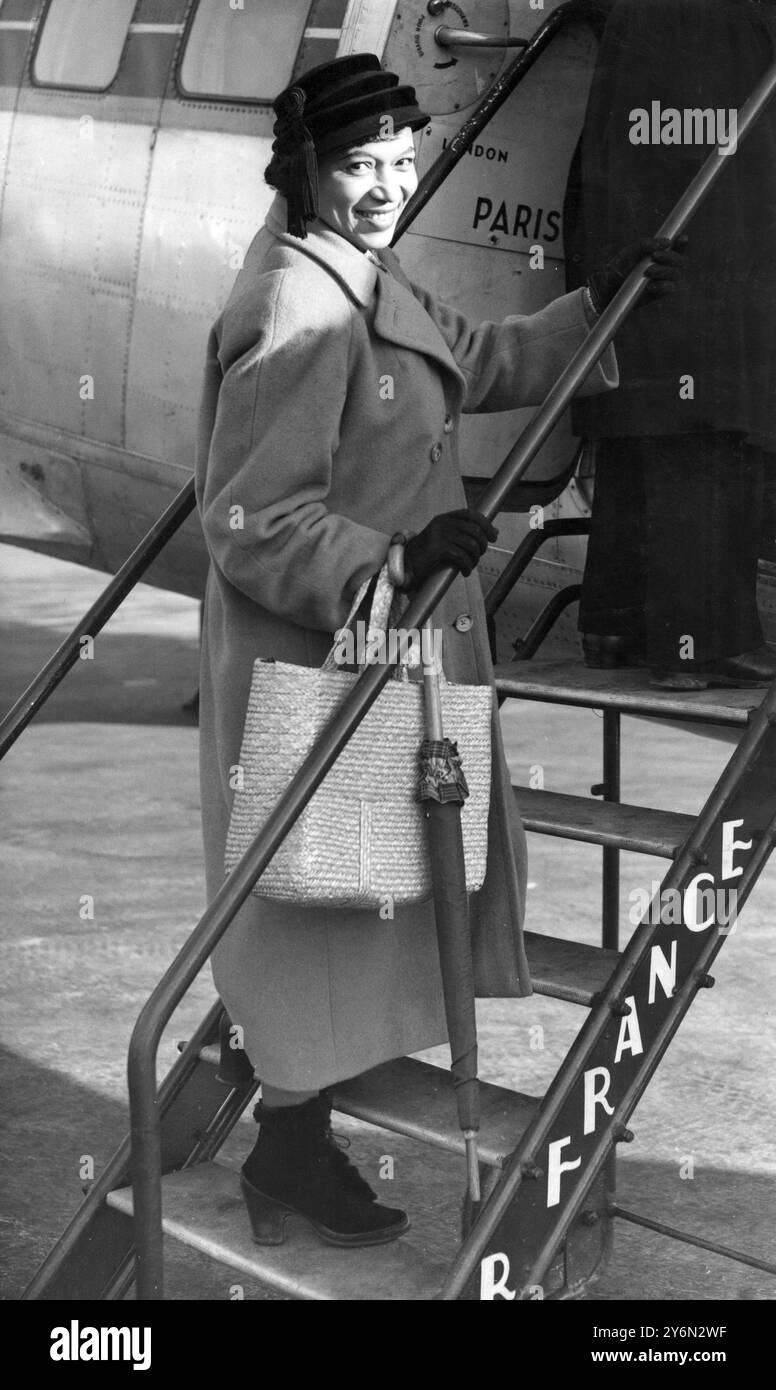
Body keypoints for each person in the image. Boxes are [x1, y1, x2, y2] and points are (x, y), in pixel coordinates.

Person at [194, 53, 678, 1249]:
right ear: (302, 170)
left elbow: (482, 354)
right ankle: (290, 1159)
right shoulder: (297, 308)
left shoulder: (360, 276)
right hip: (324, 662)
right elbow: (250, 517)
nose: (384, 185)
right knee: (318, 908)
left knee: (355, 905)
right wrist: (395, 561)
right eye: (357, 166)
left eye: (400, 163)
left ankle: (290, 1154)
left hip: (376, 663)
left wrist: (592, 304)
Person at [565, 0, 776, 688]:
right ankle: (697, 643)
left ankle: (617, 619)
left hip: (636, 170)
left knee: (645, 389)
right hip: (713, 174)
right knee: (710, 404)